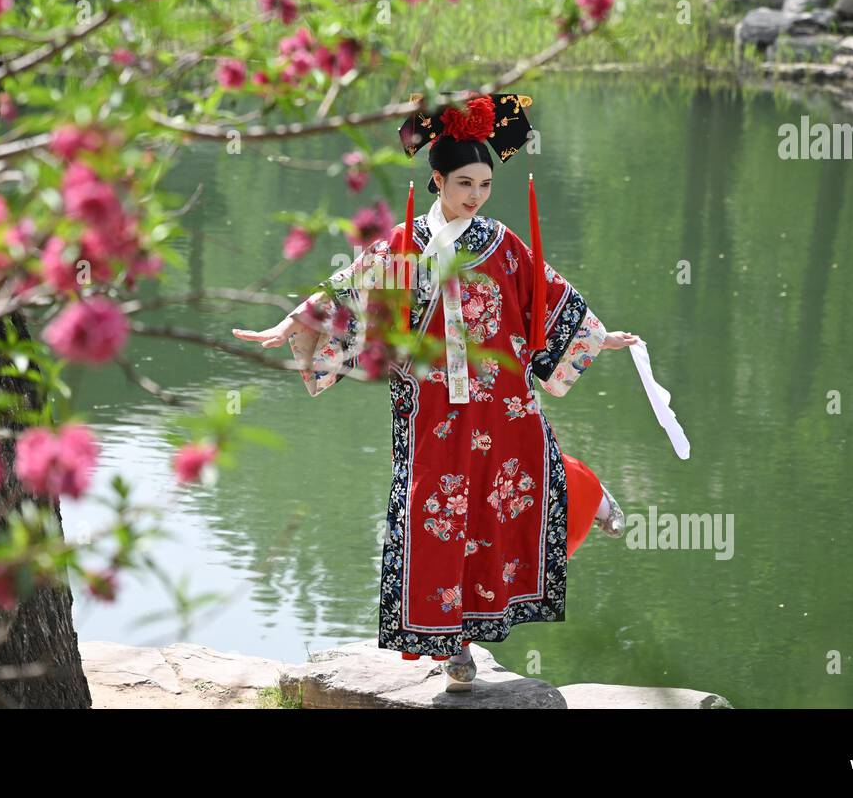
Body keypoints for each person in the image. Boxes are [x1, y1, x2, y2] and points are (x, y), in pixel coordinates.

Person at [233, 92, 638, 692]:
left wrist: (595, 336)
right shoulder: (405, 247)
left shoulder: (501, 244)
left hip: (500, 402)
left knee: (519, 495)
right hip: (430, 411)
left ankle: (587, 498)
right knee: (438, 518)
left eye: (485, 184)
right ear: (437, 179)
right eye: (465, 183)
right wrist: (294, 321)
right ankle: (453, 648)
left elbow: (545, 295)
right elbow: (349, 292)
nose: (476, 196)